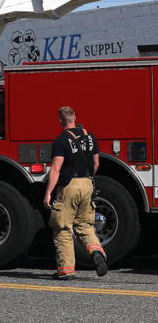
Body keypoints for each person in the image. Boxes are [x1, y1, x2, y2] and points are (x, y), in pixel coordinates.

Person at [43, 106, 107, 280]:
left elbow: (56, 170)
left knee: (62, 227)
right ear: (75, 117)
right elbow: (96, 163)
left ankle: (66, 270)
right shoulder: (90, 136)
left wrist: (48, 193)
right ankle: (96, 251)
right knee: (84, 225)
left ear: (60, 121)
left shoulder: (61, 140)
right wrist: (88, 181)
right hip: (88, 184)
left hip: (70, 186)